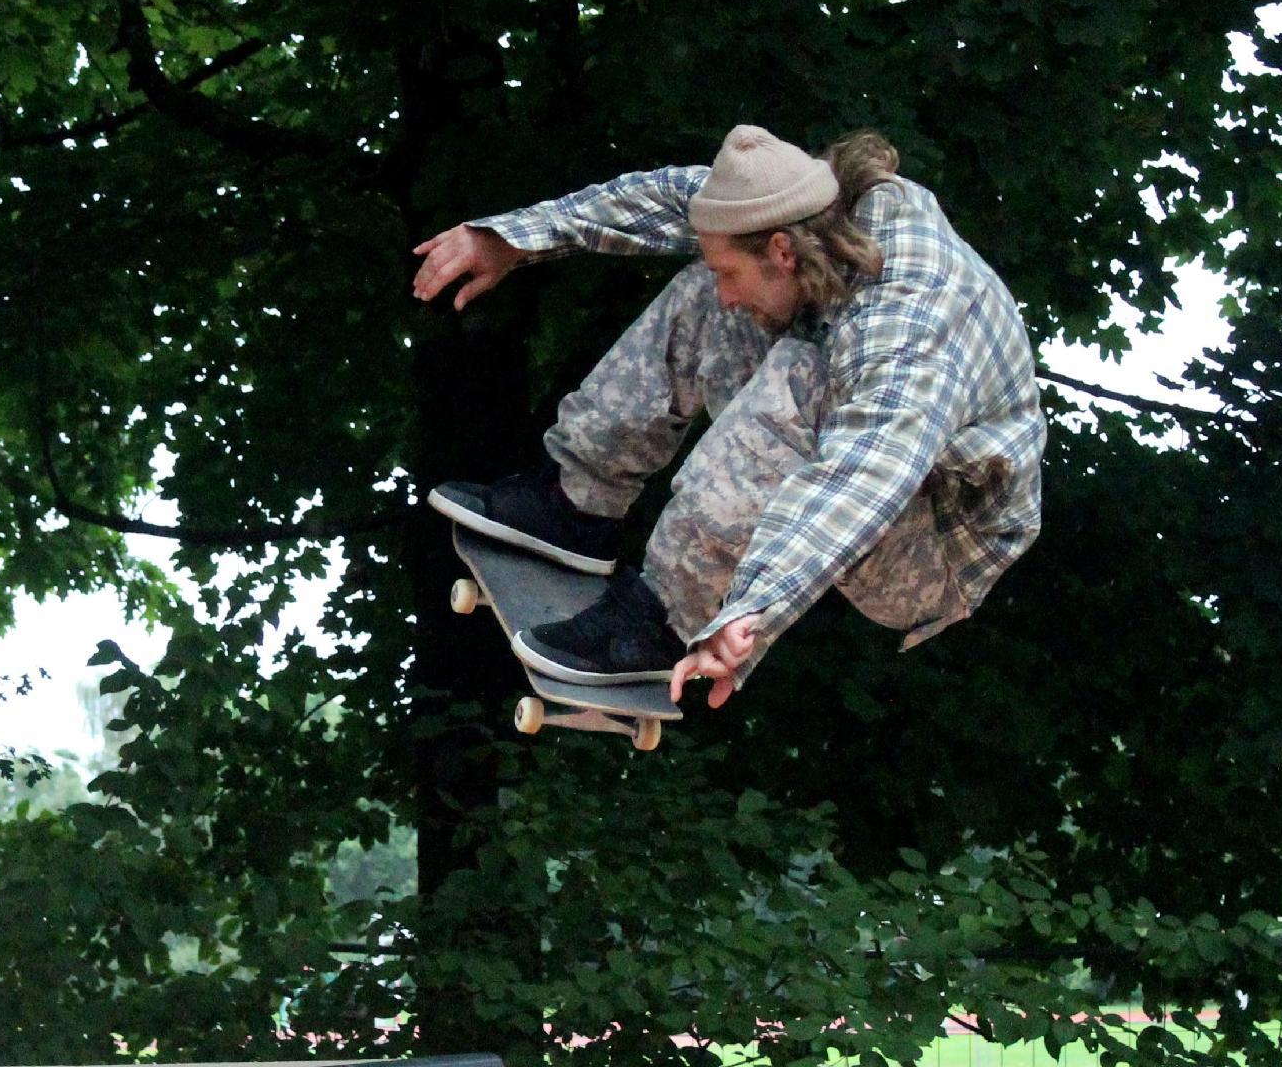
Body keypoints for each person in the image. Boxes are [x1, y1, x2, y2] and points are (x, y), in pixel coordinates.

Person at [416, 124, 1043, 708]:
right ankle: (577, 505)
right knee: (709, 291)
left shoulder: (906, 327)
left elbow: (865, 478)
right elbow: (669, 200)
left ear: (783, 252)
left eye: (735, 272)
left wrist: (752, 608)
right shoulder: (808, 207)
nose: (727, 291)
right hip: (865, 452)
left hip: (933, 541)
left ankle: (660, 622)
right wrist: (512, 237)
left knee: (801, 377)